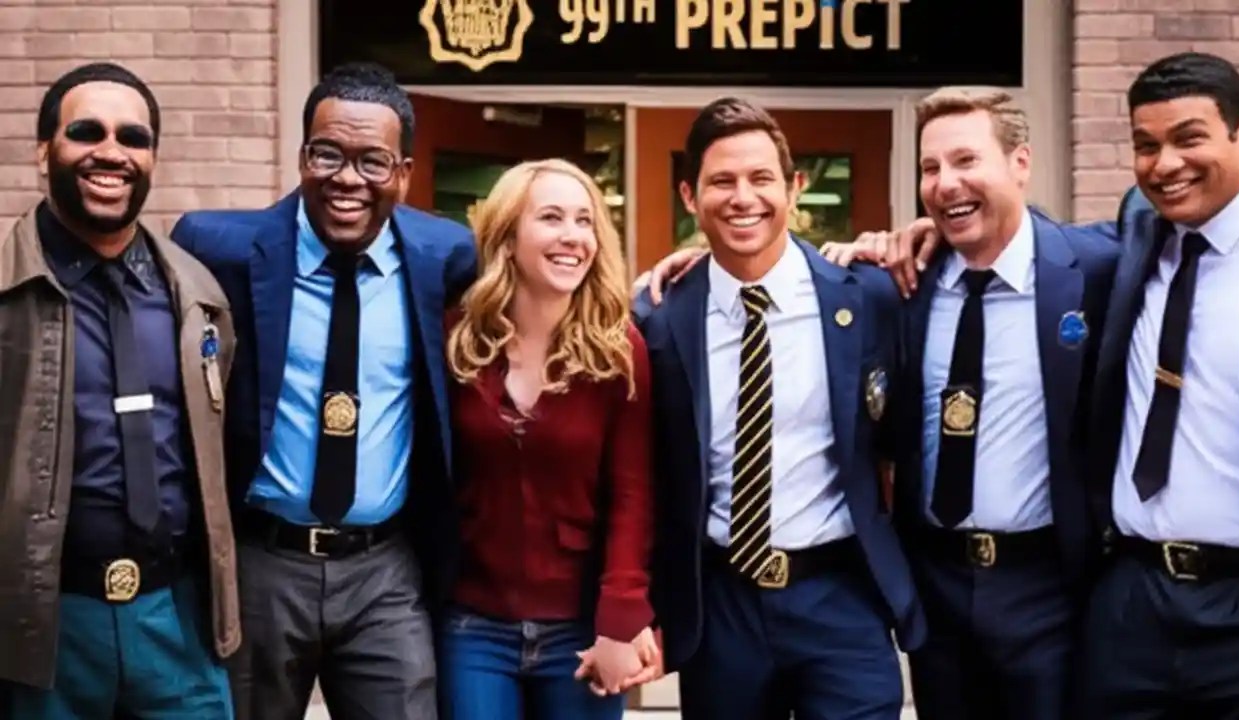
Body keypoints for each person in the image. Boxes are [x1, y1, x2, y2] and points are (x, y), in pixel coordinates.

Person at [170, 62, 475, 720]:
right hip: (262, 564)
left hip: (384, 571)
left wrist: (672, 282)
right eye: (328, 153)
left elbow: (544, 292)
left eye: (373, 161)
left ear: (404, 173)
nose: (347, 178)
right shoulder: (215, 247)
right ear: (303, 155)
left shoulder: (446, 256)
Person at [634, 97, 923, 720]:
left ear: (794, 187)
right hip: (722, 607)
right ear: (690, 196)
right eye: (722, 181)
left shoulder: (869, 296)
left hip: (839, 594)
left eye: (762, 178)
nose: (744, 197)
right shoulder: (658, 317)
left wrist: (910, 235)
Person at [867, 88, 1119, 719]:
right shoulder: (903, 284)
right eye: (930, 168)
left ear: (1021, 163)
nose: (946, 184)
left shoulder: (1094, 270)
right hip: (938, 587)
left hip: (1047, 590)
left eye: (966, 161)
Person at [0, 62, 239, 718]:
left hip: (178, 623)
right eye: (86, 131)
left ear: (153, 158)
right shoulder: (5, 293)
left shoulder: (200, 297)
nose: (112, 152)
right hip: (45, 636)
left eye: (133, 137)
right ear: (43, 151)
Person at [1080, 51, 1239, 718]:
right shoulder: (1142, 226)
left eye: (1189, 138)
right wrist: (930, 233)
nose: (1165, 165)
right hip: (1131, 599)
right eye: (1146, 145)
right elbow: (1038, 245)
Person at [440, 158, 658, 719]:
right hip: (473, 624)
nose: (573, 236)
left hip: (580, 629)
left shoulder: (618, 352)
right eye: (552, 218)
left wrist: (621, 622)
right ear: (508, 238)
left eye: (585, 221)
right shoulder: (457, 340)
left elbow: (634, 497)